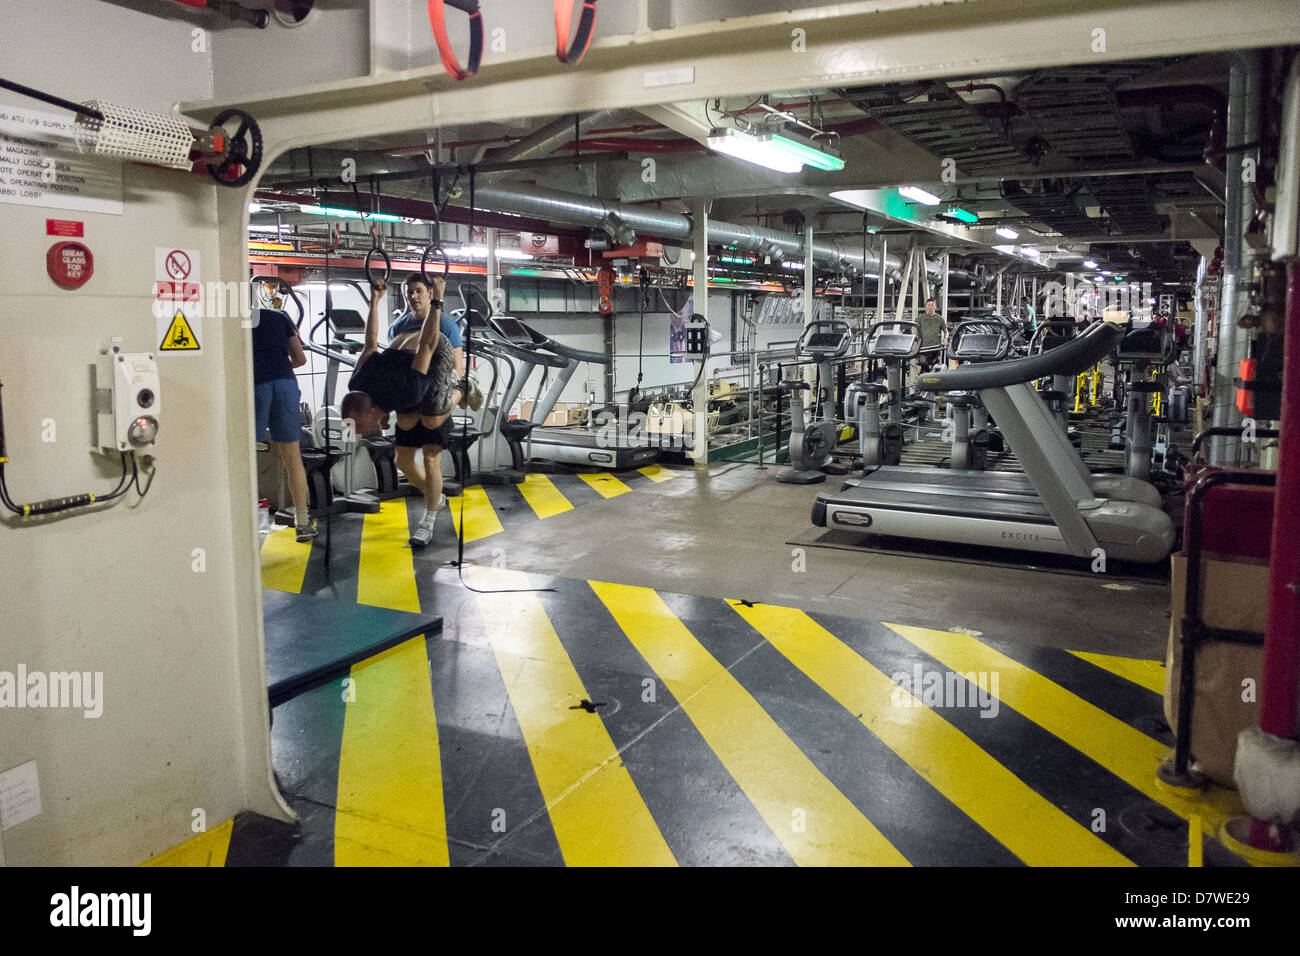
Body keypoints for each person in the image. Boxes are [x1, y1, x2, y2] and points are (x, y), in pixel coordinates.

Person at [340, 274, 461, 548]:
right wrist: (375, 300)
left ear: (373, 411)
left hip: (432, 356)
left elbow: (429, 345)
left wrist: (439, 301)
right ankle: (435, 496)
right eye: (411, 292)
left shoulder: (401, 388)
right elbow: (370, 344)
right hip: (405, 361)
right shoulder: (358, 382)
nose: (414, 296)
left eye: (420, 291)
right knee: (403, 459)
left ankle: (429, 519)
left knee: (430, 441)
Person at [251, 296, 316, 542]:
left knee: (247, 458)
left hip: (257, 386)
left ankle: (246, 521)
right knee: (292, 457)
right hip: (286, 385)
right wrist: (278, 364)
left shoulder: (234, 319)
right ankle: (303, 523)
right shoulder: (280, 317)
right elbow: (300, 359)